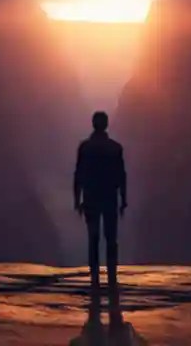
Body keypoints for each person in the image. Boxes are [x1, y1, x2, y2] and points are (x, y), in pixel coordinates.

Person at [74, 110, 127, 293]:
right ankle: (112, 278)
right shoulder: (115, 148)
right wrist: (123, 199)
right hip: (109, 198)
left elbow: (78, 175)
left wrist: (77, 199)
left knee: (93, 238)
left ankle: (94, 279)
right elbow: (121, 175)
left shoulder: (85, 147)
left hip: (91, 197)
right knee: (111, 239)